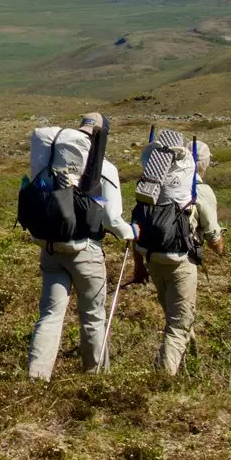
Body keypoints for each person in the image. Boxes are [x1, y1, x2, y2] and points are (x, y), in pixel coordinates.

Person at [27, 113, 138, 382]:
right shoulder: (105, 168)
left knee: (51, 314)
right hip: (85, 250)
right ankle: (95, 378)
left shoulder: (47, 160)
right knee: (92, 316)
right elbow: (112, 219)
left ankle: (36, 378)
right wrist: (131, 232)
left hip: (51, 248)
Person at [134, 139, 223, 376]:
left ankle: (192, 365)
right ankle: (162, 378)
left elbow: (138, 225)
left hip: (152, 258)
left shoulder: (157, 184)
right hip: (181, 262)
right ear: (203, 164)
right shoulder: (200, 191)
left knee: (177, 316)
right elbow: (214, 237)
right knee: (179, 324)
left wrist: (138, 265)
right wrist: (221, 249)